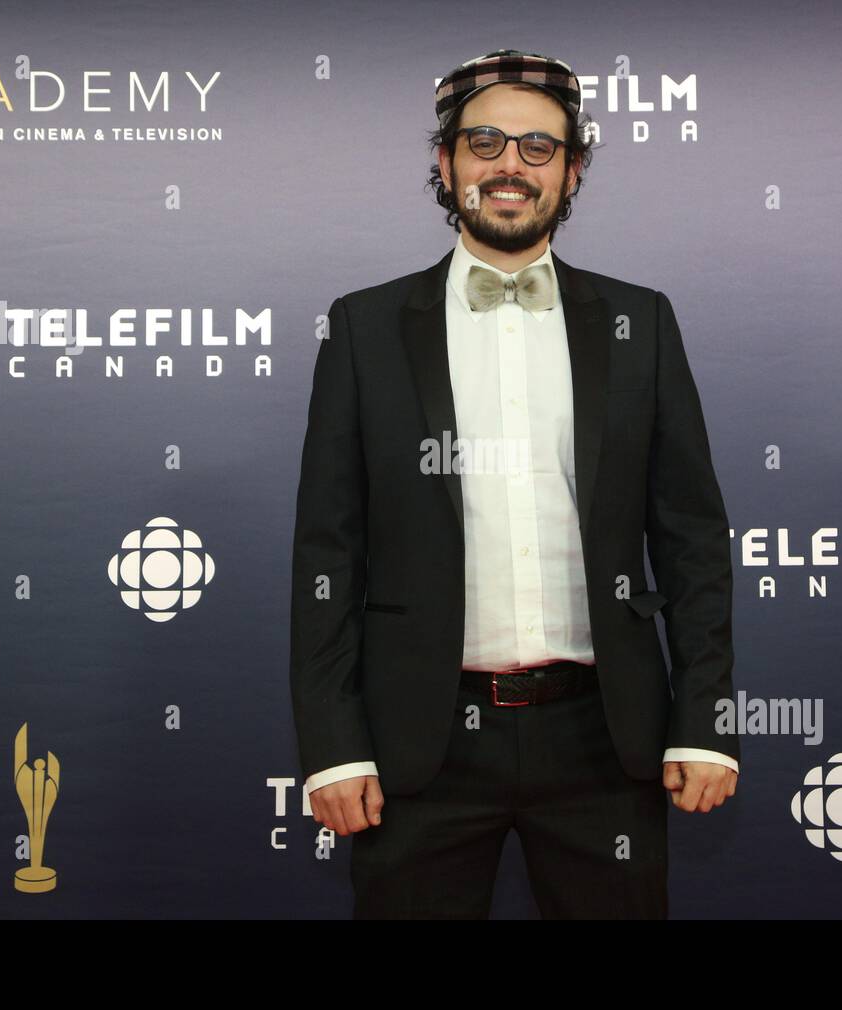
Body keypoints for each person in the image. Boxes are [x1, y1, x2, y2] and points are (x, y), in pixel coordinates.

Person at [289, 49, 738, 919]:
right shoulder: (365, 328)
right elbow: (327, 552)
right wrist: (334, 746)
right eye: (485, 141)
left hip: (607, 743)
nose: (509, 165)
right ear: (446, 161)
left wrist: (705, 717)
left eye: (539, 149)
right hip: (418, 746)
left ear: (572, 174)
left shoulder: (639, 323)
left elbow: (691, 539)